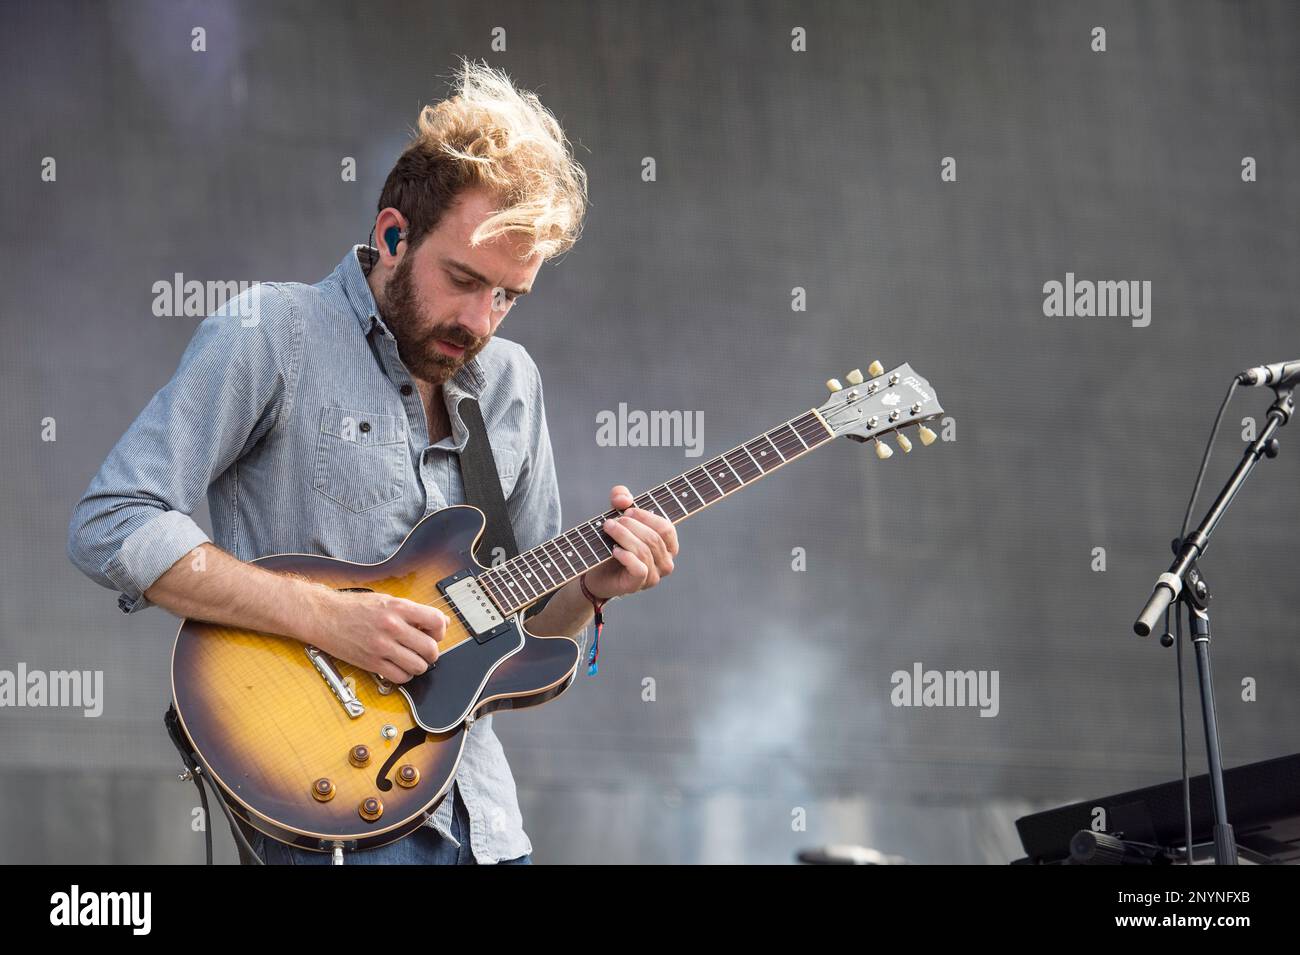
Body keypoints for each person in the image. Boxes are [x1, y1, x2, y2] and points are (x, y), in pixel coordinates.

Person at [67, 59, 679, 865]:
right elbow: (113, 520)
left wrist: (593, 587)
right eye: (463, 279)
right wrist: (330, 618)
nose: (480, 320)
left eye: (506, 295)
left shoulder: (513, 384)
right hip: (327, 811)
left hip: (483, 822)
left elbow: (523, 634)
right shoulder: (270, 332)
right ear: (393, 235)